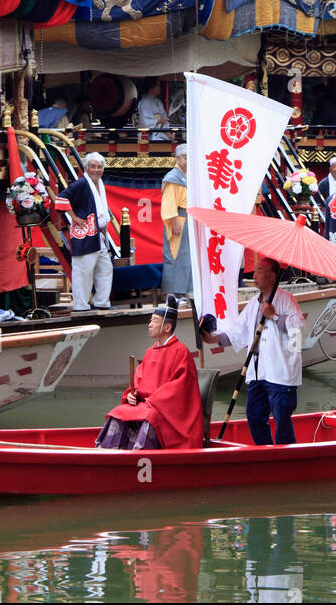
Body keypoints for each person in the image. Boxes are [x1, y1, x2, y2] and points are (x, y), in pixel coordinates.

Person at [200, 258, 304, 445]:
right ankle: (265, 451)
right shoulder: (254, 303)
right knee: (255, 416)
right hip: (257, 370)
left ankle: (286, 455)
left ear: (273, 276)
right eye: (254, 270)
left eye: (260, 270)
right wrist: (214, 339)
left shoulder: (286, 300)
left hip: (280, 371)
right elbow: (238, 331)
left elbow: (298, 331)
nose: (254, 275)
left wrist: (274, 316)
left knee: (282, 419)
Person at [95, 296, 202, 450]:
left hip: (167, 410)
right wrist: (133, 394)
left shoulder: (181, 352)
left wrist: (154, 401)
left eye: (154, 321)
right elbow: (139, 379)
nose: (150, 325)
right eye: (151, 321)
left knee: (150, 417)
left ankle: (141, 453)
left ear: (167, 327)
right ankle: (109, 451)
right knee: (118, 412)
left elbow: (180, 387)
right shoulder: (149, 352)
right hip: (147, 404)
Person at [63, 152, 114, 312]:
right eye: (93, 166)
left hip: (98, 234)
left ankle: (102, 302)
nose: (96, 170)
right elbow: (61, 199)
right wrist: (74, 218)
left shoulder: (100, 184)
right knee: (83, 271)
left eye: (99, 167)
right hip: (85, 233)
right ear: (86, 168)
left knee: (105, 269)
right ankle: (81, 306)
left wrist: (105, 231)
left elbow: (102, 210)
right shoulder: (81, 183)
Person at [160, 143, 193, 296]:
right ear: (178, 159)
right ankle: (174, 293)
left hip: (190, 218)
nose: (188, 161)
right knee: (175, 255)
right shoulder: (173, 178)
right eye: (185, 158)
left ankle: (188, 290)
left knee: (189, 256)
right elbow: (169, 202)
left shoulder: (189, 176)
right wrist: (174, 221)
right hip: (178, 218)